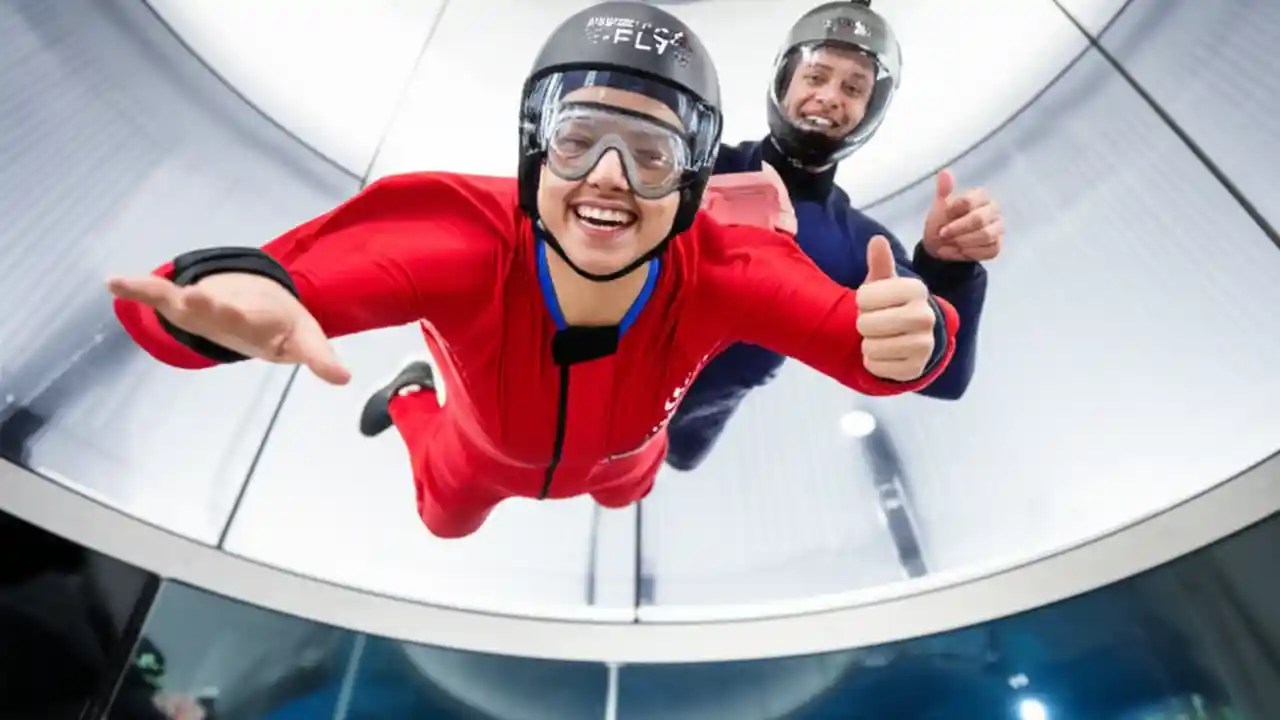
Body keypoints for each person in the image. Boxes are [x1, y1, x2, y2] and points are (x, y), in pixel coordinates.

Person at [106, 0, 959, 540]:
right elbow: (288, 279)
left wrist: (914, 337)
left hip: (625, 458)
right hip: (476, 452)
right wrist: (217, 302)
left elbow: (866, 347)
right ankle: (410, 395)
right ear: (533, 150)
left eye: (652, 155)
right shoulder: (469, 234)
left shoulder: (731, 261)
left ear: (694, 178)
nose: (610, 181)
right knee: (443, 523)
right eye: (580, 140)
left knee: (626, 493)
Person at [665, 0, 1004, 471]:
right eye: (816, 76)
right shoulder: (692, 167)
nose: (830, 96)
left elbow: (942, 382)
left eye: (853, 87)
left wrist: (949, 266)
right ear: (784, 83)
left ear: (871, 109)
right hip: (595, 386)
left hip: (680, 435)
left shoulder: (862, 243)